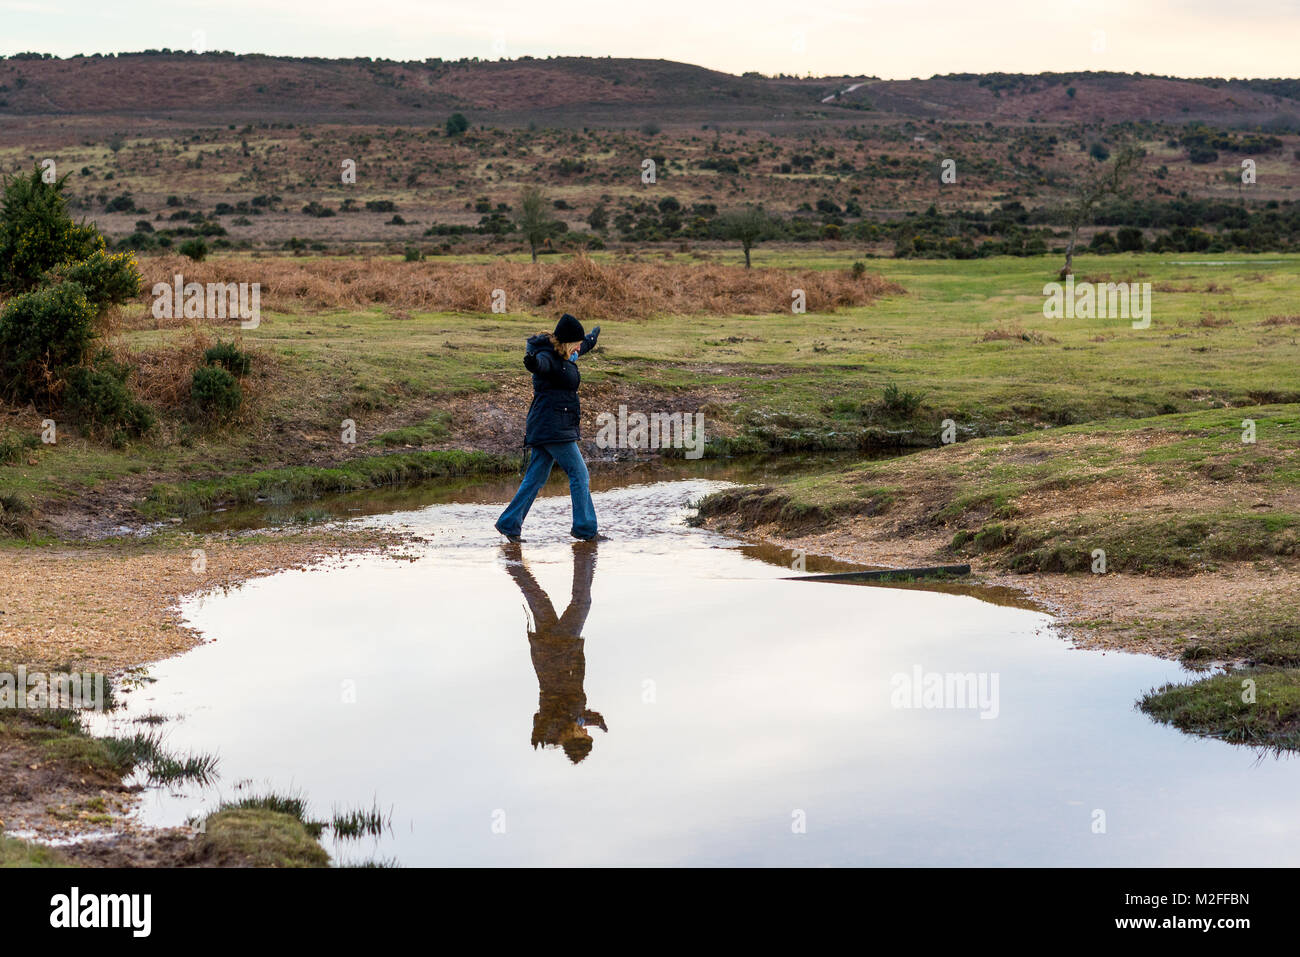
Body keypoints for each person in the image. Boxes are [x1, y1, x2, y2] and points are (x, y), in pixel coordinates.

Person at [495, 313, 601, 542]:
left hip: (548, 426)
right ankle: (585, 529)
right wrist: (532, 364)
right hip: (553, 428)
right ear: (568, 342)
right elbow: (540, 365)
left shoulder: (566, 354)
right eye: (578, 343)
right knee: (579, 474)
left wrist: (592, 338)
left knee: (535, 478)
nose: (580, 348)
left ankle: (509, 523)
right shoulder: (547, 358)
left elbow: (583, 347)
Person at [502, 539, 607, 764]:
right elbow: (580, 718)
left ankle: (585, 554)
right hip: (547, 652)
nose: (585, 732)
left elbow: (567, 714)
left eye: (585, 736)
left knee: (581, 602)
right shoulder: (565, 724)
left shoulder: (557, 724)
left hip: (560, 648)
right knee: (539, 599)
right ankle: (512, 563)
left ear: (574, 738)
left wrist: (583, 721)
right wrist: (597, 722)